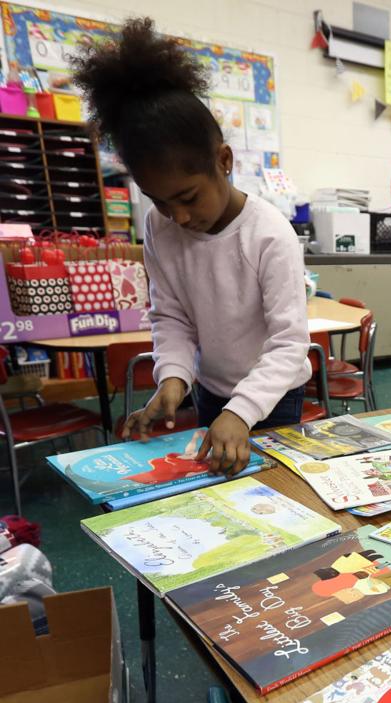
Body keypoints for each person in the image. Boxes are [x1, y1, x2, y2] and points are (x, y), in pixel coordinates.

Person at [73, 18, 311, 475]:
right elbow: (171, 315)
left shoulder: (270, 234)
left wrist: (242, 412)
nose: (178, 216)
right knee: (220, 489)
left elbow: (288, 343)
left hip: (274, 396)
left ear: (223, 161)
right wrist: (173, 378)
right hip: (213, 391)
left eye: (187, 197)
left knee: (276, 493)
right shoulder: (159, 229)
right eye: (160, 202)